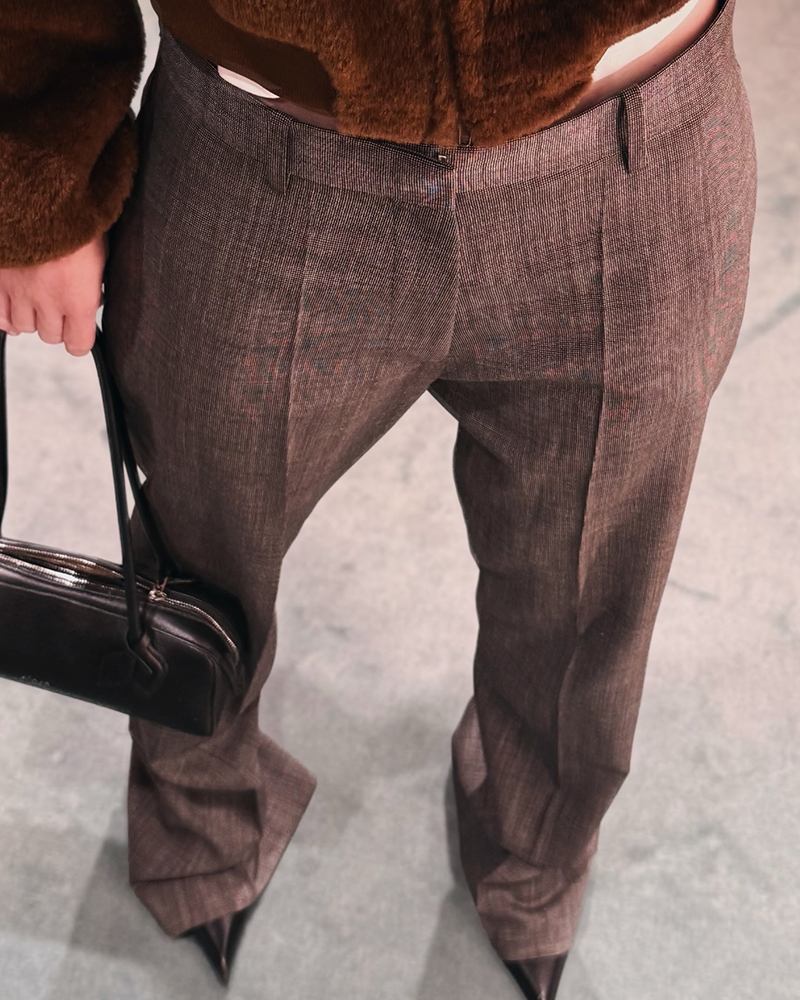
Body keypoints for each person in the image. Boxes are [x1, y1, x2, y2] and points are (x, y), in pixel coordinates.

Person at [0, 0, 757, 995]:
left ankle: (533, 859)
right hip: (257, 153)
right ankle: (201, 833)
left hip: (638, 134)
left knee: (590, 584)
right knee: (200, 549)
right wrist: (40, 157)